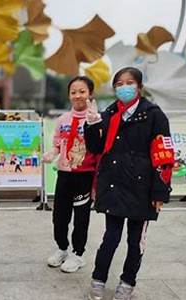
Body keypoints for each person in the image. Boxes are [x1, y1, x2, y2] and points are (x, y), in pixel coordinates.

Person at [84, 67, 173, 300]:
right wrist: (92, 125)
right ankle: (98, 278)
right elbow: (95, 148)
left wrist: (160, 192)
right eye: (119, 84)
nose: (124, 87)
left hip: (142, 189)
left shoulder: (154, 115)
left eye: (129, 82)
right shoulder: (110, 113)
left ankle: (128, 282)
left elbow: (164, 156)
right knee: (110, 237)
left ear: (139, 87)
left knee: (135, 241)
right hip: (114, 185)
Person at [42, 76, 99, 273]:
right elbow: (57, 144)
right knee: (59, 216)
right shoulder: (62, 120)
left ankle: (78, 254)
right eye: (73, 92)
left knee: (81, 218)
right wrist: (51, 153)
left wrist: (95, 124)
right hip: (64, 175)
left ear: (90, 94)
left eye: (82, 91)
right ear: (69, 95)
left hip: (85, 175)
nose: (77, 96)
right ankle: (62, 249)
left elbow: (100, 148)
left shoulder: (95, 119)